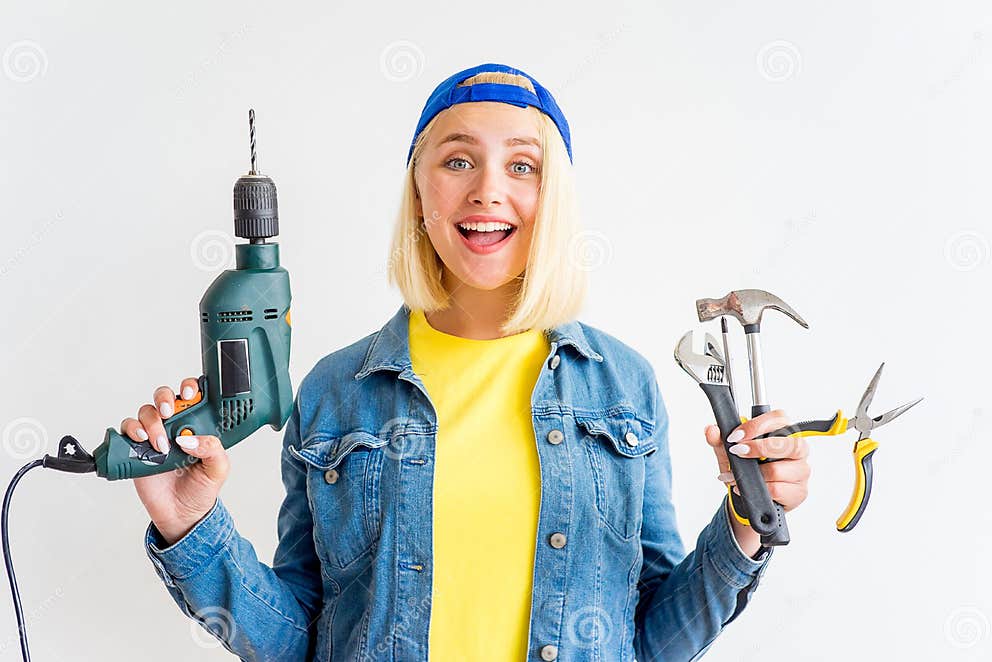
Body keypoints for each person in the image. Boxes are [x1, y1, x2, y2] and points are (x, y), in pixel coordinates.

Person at [125, 63, 811, 661]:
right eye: (458, 161)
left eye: (523, 166)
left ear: (554, 199)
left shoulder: (622, 385)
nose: (487, 189)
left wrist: (744, 525)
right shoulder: (337, 391)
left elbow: (652, 640)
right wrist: (191, 525)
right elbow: (297, 638)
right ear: (419, 192)